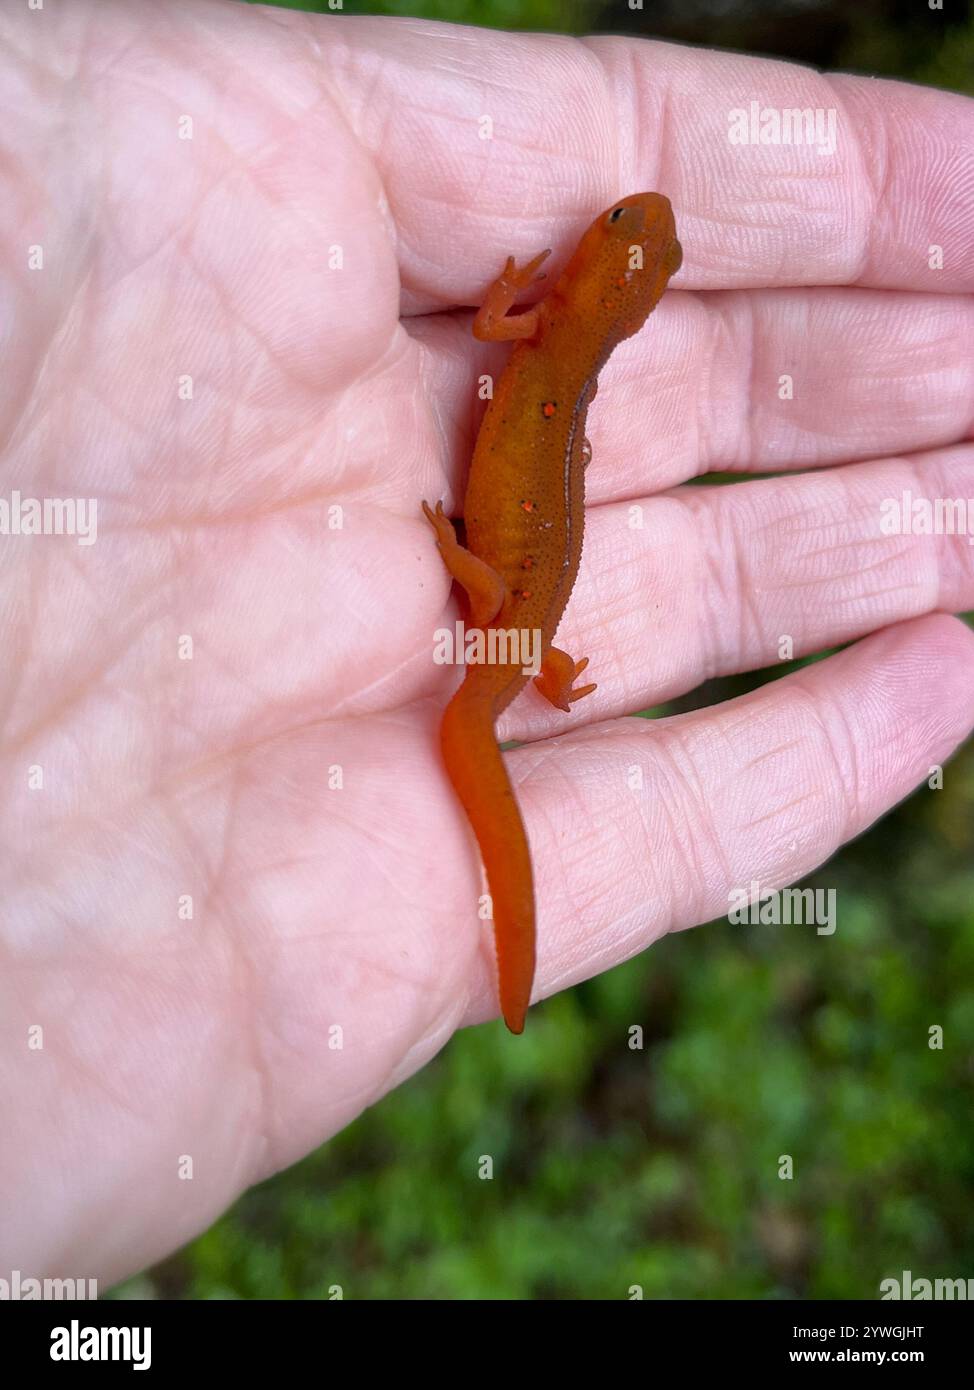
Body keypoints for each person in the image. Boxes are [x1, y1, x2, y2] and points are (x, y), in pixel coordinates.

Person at [1, 0, 972, 1288]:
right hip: (518, 623)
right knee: (512, 622)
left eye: (636, 240)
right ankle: (532, 669)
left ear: (595, 287)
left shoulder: (549, 326)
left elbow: (503, 331)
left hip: (503, 602)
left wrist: (471, 540)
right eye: (631, 232)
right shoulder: (567, 343)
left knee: (499, 599)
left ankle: (516, 676)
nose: (633, 227)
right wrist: (521, 632)